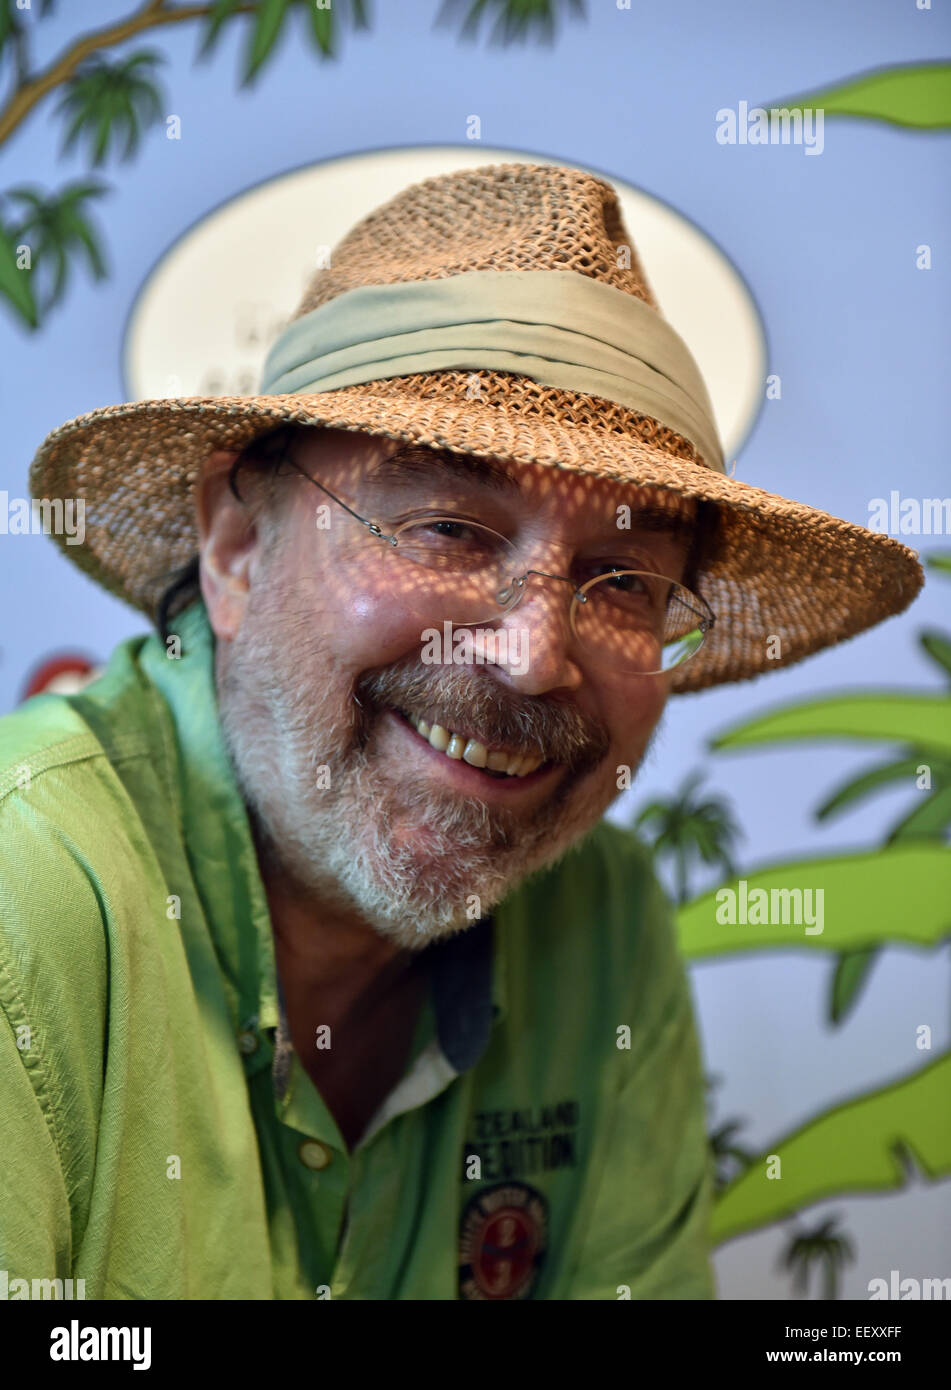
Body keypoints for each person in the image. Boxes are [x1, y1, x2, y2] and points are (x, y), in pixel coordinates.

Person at [0, 163, 922, 1301]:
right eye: (446, 526)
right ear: (236, 548)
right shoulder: (28, 899)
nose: (535, 652)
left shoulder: (604, 928)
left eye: (626, 580)